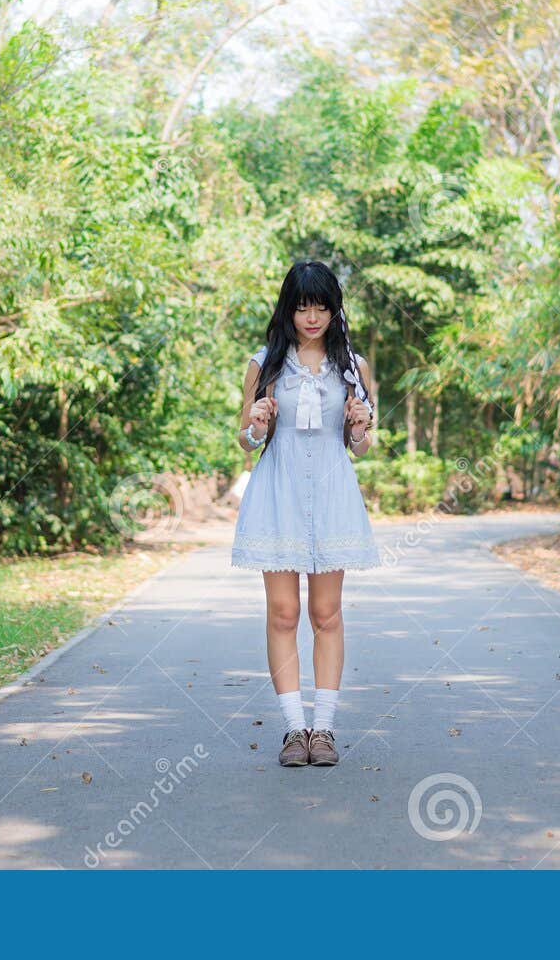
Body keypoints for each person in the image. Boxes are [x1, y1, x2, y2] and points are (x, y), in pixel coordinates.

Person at [230, 260, 381, 767]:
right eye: (302, 306)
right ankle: (295, 730)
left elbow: (359, 447)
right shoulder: (265, 364)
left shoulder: (353, 368)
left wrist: (360, 424)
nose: (311, 316)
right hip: (279, 493)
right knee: (283, 613)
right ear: (288, 309)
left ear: (334, 308)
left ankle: (326, 730)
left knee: (325, 614)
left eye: (321, 306)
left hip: (332, 494)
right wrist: (255, 420)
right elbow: (247, 442)